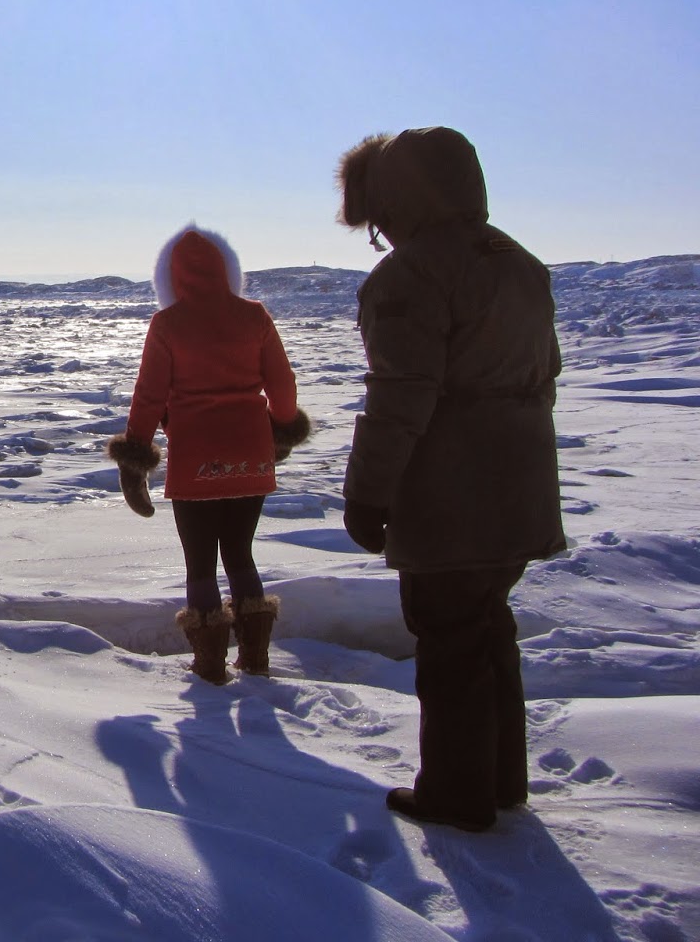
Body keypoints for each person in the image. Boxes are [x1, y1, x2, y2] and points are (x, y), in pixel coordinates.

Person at [336, 126, 566, 833]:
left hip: (451, 496)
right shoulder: (521, 264)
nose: (380, 237)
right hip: (523, 486)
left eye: (378, 222)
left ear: (395, 203)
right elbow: (543, 375)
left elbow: (400, 397)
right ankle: (499, 781)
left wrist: (367, 493)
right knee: (486, 627)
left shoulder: (410, 278)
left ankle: (457, 795)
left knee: (448, 641)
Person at [108, 225, 311, 684]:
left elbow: (148, 396)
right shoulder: (254, 315)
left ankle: (209, 666)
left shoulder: (168, 324)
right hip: (250, 454)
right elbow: (282, 384)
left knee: (199, 563)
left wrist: (135, 456)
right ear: (227, 271)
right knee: (240, 554)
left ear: (170, 279)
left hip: (195, 457)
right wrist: (281, 430)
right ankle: (255, 659)